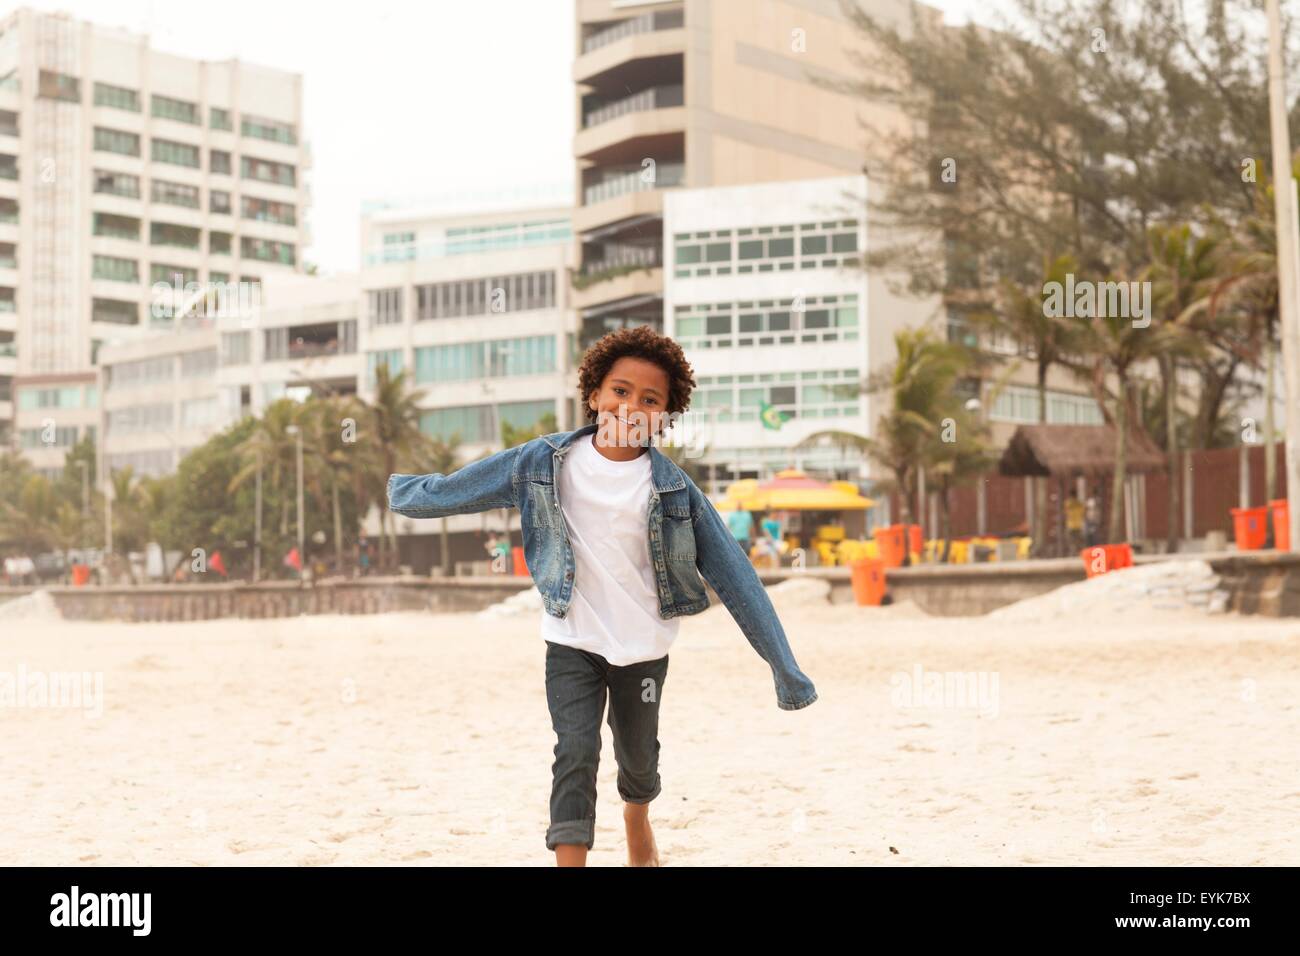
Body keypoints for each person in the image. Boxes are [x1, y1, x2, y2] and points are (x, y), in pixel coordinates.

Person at [388, 326, 817, 868]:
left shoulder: (675, 490)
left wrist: (784, 668)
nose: (631, 405)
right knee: (576, 750)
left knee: (637, 762)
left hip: (642, 648)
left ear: (664, 416)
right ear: (593, 395)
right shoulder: (543, 463)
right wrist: (405, 495)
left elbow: (737, 578)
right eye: (619, 390)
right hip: (571, 638)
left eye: (649, 398)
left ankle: (637, 817)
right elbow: (463, 486)